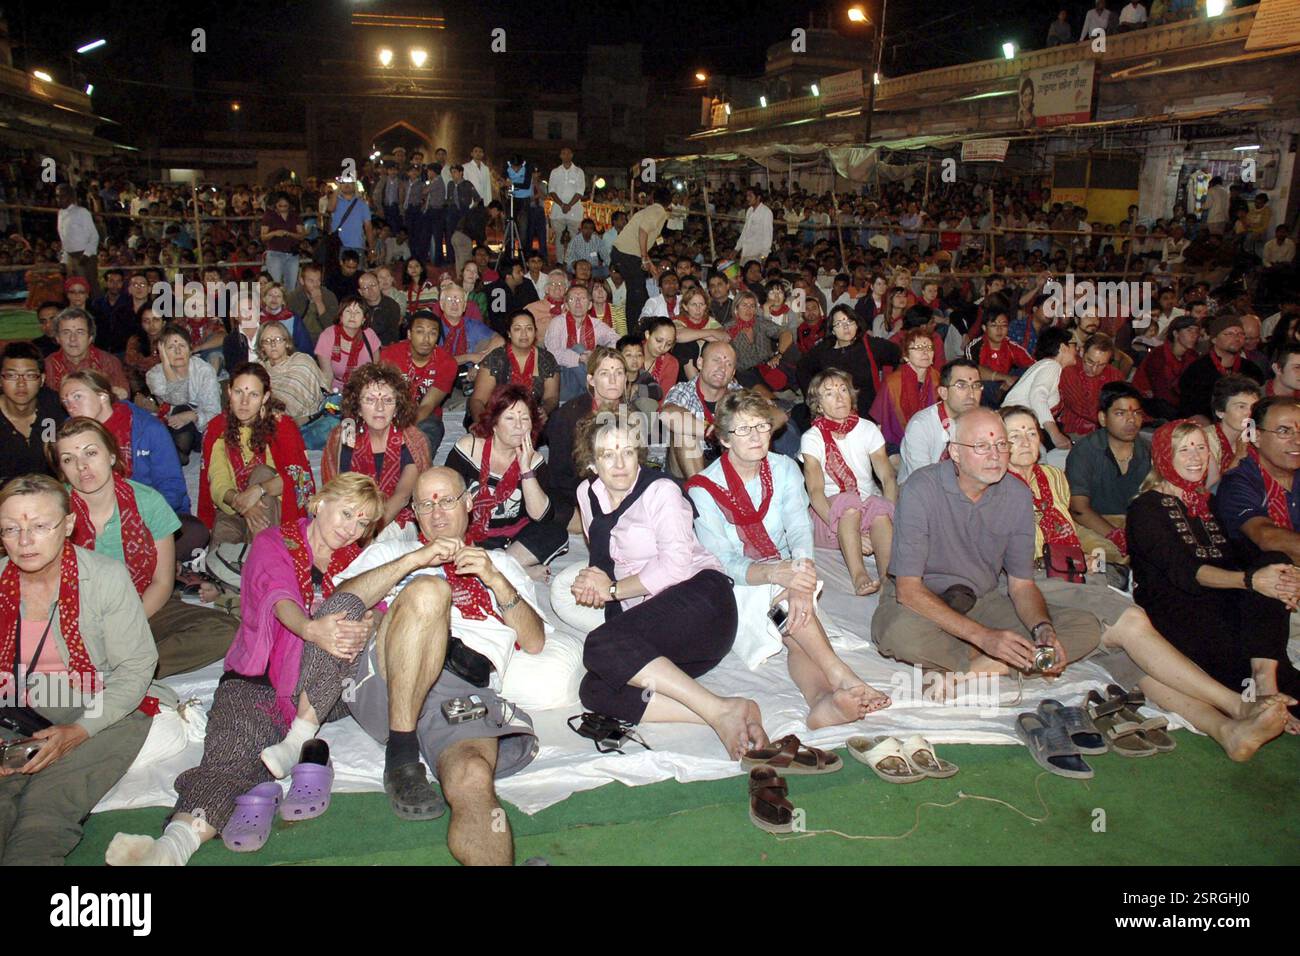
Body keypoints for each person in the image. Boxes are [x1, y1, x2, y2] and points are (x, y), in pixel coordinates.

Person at [105, 475, 384, 867]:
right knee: (231, 753)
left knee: (349, 609)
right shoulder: (275, 541)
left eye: (362, 522)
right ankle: (174, 845)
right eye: (347, 513)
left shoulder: (358, 562)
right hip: (259, 676)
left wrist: (367, 621)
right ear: (320, 503)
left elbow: (379, 606)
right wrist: (309, 628)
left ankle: (298, 738)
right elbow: (277, 594)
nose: (351, 528)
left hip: (324, 690)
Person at [1001, 405, 1293, 759]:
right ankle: (1239, 706)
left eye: (1032, 432)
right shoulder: (995, 485)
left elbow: (1068, 527)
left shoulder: (1052, 477)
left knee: (1130, 660)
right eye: (1013, 435)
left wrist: (1101, 548)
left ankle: (1227, 730)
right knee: (1132, 626)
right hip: (1029, 578)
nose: (1025, 441)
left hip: (1075, 575)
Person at [335, 466, 547, 863]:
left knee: (472, 775)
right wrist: (411, 562)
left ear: (467, 502)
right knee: (431, 590)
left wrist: (496, 580)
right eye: (425, 505)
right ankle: (401, 754)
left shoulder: (501, 563)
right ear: (413, 513)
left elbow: (534, 641)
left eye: (446, 500)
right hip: (390, 671)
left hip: (462, 687)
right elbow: (340, 600)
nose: (437, 512)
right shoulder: (393, 551)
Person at [550, 415, 762, 757]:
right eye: (607, 454)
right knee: (594, 690)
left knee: (600, 645)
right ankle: (717, 710)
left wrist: (614, 591)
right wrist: (595, 581)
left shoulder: (660, 491)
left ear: (639, 455)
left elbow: (677, 566)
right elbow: (604, 557)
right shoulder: (586, 494)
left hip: (703, 604)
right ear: (592, 462)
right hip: (656, 627)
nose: (619, 464)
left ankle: (721, 713)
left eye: (628, 452)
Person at [686, 390, 890, 728]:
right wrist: (778, 574)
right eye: (743, 429)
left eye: (762, 426)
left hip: (786, 576)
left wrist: (801, 575)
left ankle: (822, 702)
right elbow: (723, 561)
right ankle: (841, 674)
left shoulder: (783, 469)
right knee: (784, 608)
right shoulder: (703, 489)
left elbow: (799, 528)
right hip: (734, 584)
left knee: (792, 626)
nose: (755, 436)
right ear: (723, 439)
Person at [872, 408, 1102, 687]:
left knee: (1085, 628)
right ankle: (1001, 656)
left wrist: (1042, 629)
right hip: (924, 600)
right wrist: (984, 637)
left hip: (982, 598)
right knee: (898, 634)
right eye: (981, 446)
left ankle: (972, 668)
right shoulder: (921, 488)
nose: (995, 455)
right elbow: (908, 591)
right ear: (955, 452)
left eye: (1001, 445)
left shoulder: (1017, 495)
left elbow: (1021, 586)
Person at [0, 474, 159, 864]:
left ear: (68, 525)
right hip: (13, 707)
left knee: (47, 811)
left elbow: (137, 667)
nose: (24, 541)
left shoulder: (104, 577)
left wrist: (79, 731)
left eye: (39, 527)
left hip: (100, 705)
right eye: (10, 529)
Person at [1131, 418, 1300, 733]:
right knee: (1249, 658)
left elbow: (1243, 556)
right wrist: (1251, 581)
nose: (1196, 457)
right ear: (1163, 457)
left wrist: (1283, 578)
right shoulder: (1146, 508)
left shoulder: (1208, 504)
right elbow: (1186, 573)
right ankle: (1258, 687)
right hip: (1181, 609)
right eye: (1184, 449)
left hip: (1228, 603)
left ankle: (1265, 679)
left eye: (1200, 448)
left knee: (1273, 561)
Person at [53, 417, 236, 677]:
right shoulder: (53, 508)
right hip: (76, 615)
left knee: (225, 631)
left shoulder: (147, 502)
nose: (82, 466)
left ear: (112, 456)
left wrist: (125, 624)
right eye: (69, 459)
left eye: (91, 453)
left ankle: (128, 672)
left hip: (140, 605)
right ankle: (119, 665)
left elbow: (162, 581)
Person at [446, 383, 569, 575]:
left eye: (525, 419)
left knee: (555, 532)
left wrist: (526, 469)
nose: (519, 426)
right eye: (510, 418)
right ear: (494, 424)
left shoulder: (535, 460)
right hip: (472, 534)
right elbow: (448, 498)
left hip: (513, 538)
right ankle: (511, 569)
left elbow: (541, 517)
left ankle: (495, 568)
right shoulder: (468, 448)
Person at [198, 363, 315, 555]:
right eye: (238, 392)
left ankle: (263, 559)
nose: (244, 402)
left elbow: (298, 478)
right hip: (233, 508)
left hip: (274, 509)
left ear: (265, 397)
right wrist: (240, 502)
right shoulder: (217, 428)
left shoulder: (281, 426)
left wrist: (258, 490)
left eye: (253, 394)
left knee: (261, 475)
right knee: (219, 555)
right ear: (228, 392)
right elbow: (218, 482)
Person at [800, 369, 896, 596]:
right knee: (849, 503)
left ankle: (887, 579)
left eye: (843, 390)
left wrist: (892, 513)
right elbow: (815, 492)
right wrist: (845, 528)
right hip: (828, 517)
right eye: (830, 393)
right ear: (819, 405)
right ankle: (859, 575)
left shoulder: (867, 429)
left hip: (866, 511)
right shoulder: (812, 437)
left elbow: (887, 477)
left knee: (880, 510)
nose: (840, 397)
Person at [59, 369, 193, 520]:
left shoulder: (147, 428)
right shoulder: (70, 434)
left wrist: (138, 518)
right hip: (101, 513)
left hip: (152, 510)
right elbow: (70, 484)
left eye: (77, 396)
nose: (71, 406)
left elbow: (172, 486)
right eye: (65, 401)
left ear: (103, 396)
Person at [322, 363, 431, 533]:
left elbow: (402, 497)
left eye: (387, 400)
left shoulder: (412, 439)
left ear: (397, 408)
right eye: (370, 400)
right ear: (358, 408)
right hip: (348, 514)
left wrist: (366, 532)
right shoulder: (345, 434)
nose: (380, 408)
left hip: (396, 520)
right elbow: (336, 489)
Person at [1062, 381, 1149, 568]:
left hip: (1133, 525)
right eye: (1120, 413)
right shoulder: (1086, 450)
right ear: (1102, 418)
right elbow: (1079, 509)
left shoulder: (1147, 451)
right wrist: (1116, 536)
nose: (1131, 420)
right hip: (1092, 525)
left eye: (1136, 413)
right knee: (1102, 554)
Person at [545, 347, 628, 532]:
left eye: (619, 373)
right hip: (577, 491)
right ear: (591, 380)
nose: (613, 380)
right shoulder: (568, 416)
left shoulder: (631, 413)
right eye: (605, 373)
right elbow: (559, 475)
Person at [797, 305, 901, 421]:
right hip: (834, 413)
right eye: (839, 323)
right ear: (832, 330)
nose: (846, 326)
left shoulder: (871, 346)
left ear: (857, 324)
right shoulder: (824, 350)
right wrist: (815, 399)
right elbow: (802, 368)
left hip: (867, 414)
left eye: (850, 321)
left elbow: (899, 355)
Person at [379, 309, 456, 459]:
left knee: (427, 436)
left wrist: (402, 429)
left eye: (432, 333)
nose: (426, 339)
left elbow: (427, 405)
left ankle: (415, 469)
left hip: (425, 416)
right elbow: (383, 395)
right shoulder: (390, 355)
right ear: (409, 334)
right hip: (392, 412)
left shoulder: (447, 363)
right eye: (420, 332)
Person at [144, 323, 222, 466]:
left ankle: (175, 456)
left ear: (190, 348)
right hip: (171, 424)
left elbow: (215, 412)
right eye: (171, 348)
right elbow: (178, 398)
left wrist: (192, 416)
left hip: (203, 428)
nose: (178, 351)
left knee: (183, 410)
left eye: (182, 346)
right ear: (162, 352)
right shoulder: (154, 374)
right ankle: (177, 455)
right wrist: (166, 365)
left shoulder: (204, 371)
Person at [897, 358, 983, 483]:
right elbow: (923, 481)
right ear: (943, 392)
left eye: (976, 386)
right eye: (961, 386)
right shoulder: (920, 426)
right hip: (922, 493)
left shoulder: (984, 424)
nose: (971, 394)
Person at [469, 309, 560, 426]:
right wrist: (483, 423)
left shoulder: (546, 359)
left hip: (532, 417)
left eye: (529, 328)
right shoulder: (495, 358)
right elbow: (478, 400)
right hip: (497, 416)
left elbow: (551, 397)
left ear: (535, 332)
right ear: (509, 333)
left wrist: (544, 410)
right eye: (517, 329)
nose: (524, 334)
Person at [1001, 326, 1078, 453]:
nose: (1077, 349)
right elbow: (1038, 395)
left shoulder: (1044, 365)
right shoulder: (1051, 366)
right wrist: (1055, 434)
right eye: (1074, 345)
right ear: (1063, 347)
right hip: (1015, 426)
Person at [0, 342, 67, 486]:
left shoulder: (56, 405)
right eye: (11, 375)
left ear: (42, 379)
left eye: (30, 375)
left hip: (52, 492)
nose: (21, 383)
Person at [1178, 314, 1264, 420]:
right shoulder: (1198, 370)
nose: (1237, 338)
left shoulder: (1251, 369)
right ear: (1214, 339)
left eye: (1240, 334)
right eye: (1229, 334)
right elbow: (1188, 408)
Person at [610, 186, 671, 330]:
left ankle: (635, 330)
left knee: (636, 293)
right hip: (627, 254)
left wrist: (650, 265)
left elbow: (640, 240)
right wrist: (644, 257)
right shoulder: (658, 211)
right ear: (668, 203)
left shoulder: (649, 210)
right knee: (638, 294)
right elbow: (643, 231)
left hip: (625, 253)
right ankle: (636, 331)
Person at [545, 284, 619, 401]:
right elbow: (552, 354)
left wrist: (596, 356)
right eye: (572, 299)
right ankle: (596, 393)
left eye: (583, 299)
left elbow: (617, 340)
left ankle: (584, 397)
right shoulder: (557, 323)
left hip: (584, 377)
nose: (578, 302)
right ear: (567, 305)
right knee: (579, 349)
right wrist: (579, 358)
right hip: (562, 376)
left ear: (590, 305)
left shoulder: (596, 324)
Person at [870, 329, 940, 450]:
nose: (925, 352)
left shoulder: (938, 379)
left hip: (932, 439)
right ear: (906, 356)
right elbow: (881, 421)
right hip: (897, 441)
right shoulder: (893, 382)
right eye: (918, 348)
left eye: (929, 347)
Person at [44, 308, 129, 400]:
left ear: (90, 338)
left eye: (80, 332)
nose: (73, 338)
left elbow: (124, 395)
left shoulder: (108, 361)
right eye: (66, 332)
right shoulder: (48, 365)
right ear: (57, 338)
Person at [259, 320, 329, 426]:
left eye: (278, 339)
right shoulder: (259, 371)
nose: (273, 344)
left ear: (286, 343)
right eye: (267, 340)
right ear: (262, 347)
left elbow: (325, 390)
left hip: (317, 420)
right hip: (282, 426)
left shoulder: (303, 361)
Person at [1132, 314, 1200, 420]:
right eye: (1189, 330)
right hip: (1151, 403)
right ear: (1176, 333)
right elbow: (1161, 391)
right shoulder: (1158, 355)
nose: (1194, 335)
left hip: (1178, 403)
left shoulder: (1193, 356)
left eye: (1196, 331)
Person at [1058, 333, 1123, 437]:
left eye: (1102, 365)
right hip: (1073, 432)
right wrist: (1114, 421)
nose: (1094, 369)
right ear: (1082, 351)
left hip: (1107, 431)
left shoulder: (1115, 375)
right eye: (1090, 361)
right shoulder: (1069, 370)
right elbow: (1080, 407)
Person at [965, 308, 1034, 407]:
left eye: (1004, 325)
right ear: (984, 328)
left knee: (1026, 371)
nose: (999, 330)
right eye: (994, 325)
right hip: (985, 391)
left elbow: (1034, 366)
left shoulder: (1012, 346)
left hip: (1008, 387)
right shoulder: (975, 346)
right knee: (982, 384)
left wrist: (1014, 381)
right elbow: (972, 371)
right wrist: (1006, 378)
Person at [1204, 374, 1263, 488]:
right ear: (1220, 411)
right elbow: (1211, 492)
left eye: (1253, 407)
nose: (1249, 413)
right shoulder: (1204, 440)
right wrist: (1239, 457)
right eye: (1241, 407)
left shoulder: (1256, 437)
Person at [314, 296, 382, 394]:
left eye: (357, 312)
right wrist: (329, 399)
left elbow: (375, 370)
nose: (352, 316)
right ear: (341, 316)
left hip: (365, 389)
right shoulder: (327, 336)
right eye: (348, 311)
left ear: (363, 319)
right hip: (336, 390)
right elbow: (327, 375)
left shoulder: (369, 335)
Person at [55, 183, 100, 298]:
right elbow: (64, 239)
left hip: (85, 255)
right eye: (57, 196)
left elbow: (94, 236)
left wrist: (86, 255)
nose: (59, 199)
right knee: (73, 289)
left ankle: (98, 313)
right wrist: (64, 260)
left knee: (90, 288)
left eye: (62, 196)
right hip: (70, 256)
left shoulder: (82, 212)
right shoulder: (60, 214)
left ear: (70, 197)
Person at [261, 192, 305, 293]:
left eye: (285, 206)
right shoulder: (269, 215)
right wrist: (274, 233)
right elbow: (263, 237)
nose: (283, 208)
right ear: (275, 205)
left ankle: (287, 308)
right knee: (274, 285)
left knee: (291, 286)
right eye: (280, 205)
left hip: (292, 254)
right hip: (275, 253)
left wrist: (289, 234)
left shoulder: (294, 216)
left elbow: (301, 235)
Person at [286, 263, 339, 340]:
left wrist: (319, 303)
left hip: (323, 339)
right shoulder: (293, 297)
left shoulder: (329, 296)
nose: (315, 285)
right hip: (300, 339)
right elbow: (290, 325)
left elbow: (331, 327)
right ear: (302, 281)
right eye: (311, 281)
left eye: (318, 280)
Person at [357, 271, 403, 346]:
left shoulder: (392, 306)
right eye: (365, 287)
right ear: (360, 292)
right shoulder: (357, 307)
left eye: (373, 285)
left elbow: (392, 336)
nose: (370, 290)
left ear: (379, 285)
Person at [733, 187, 774, 264]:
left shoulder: (766, 212)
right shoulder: (749, 211)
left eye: (750, 196)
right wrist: (736, 249)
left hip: (757, 254)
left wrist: (764, 257)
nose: (747, 198)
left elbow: (768, 236)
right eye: (747, 196)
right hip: (746, 252)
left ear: (758, 197)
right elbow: (745, 232)